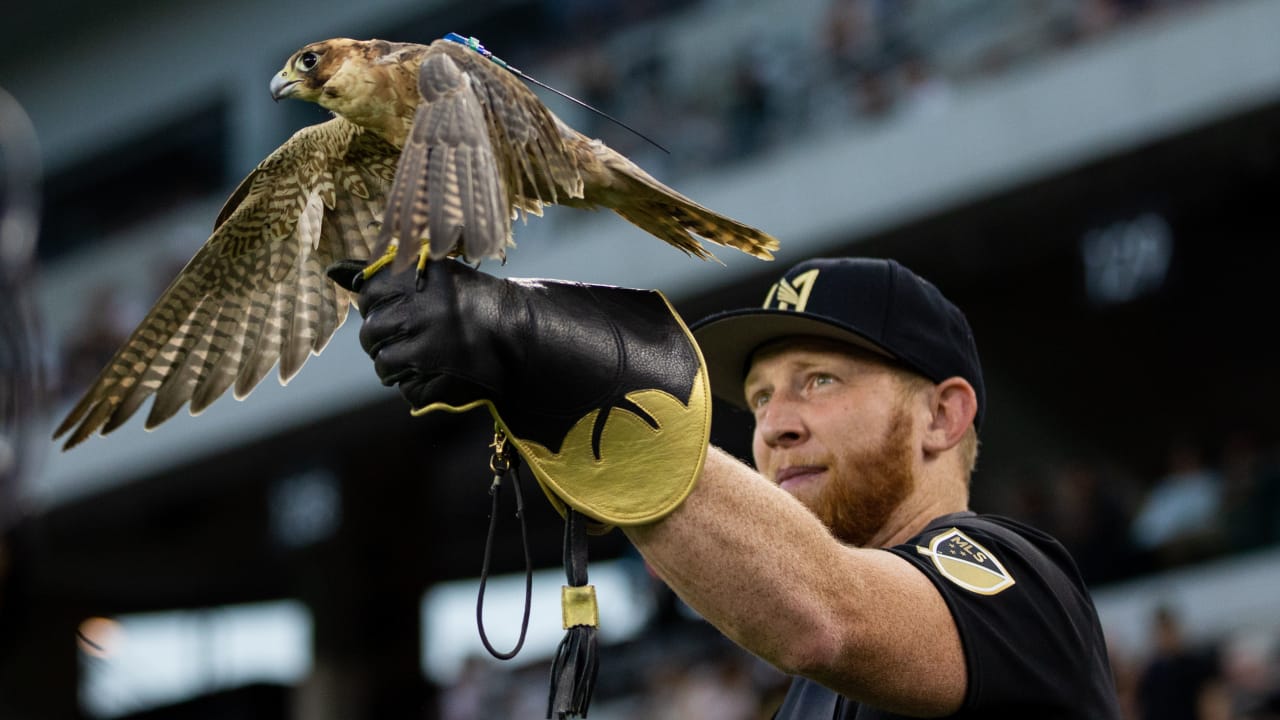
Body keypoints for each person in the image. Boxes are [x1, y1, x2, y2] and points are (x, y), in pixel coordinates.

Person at [328, 255, 1122, 718]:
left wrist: (571, 370)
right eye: (764, 396)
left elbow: (824, 614)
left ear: (943, 417)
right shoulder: (813, 690)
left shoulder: (1019, 583)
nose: (775, 424)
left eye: (819, 380)